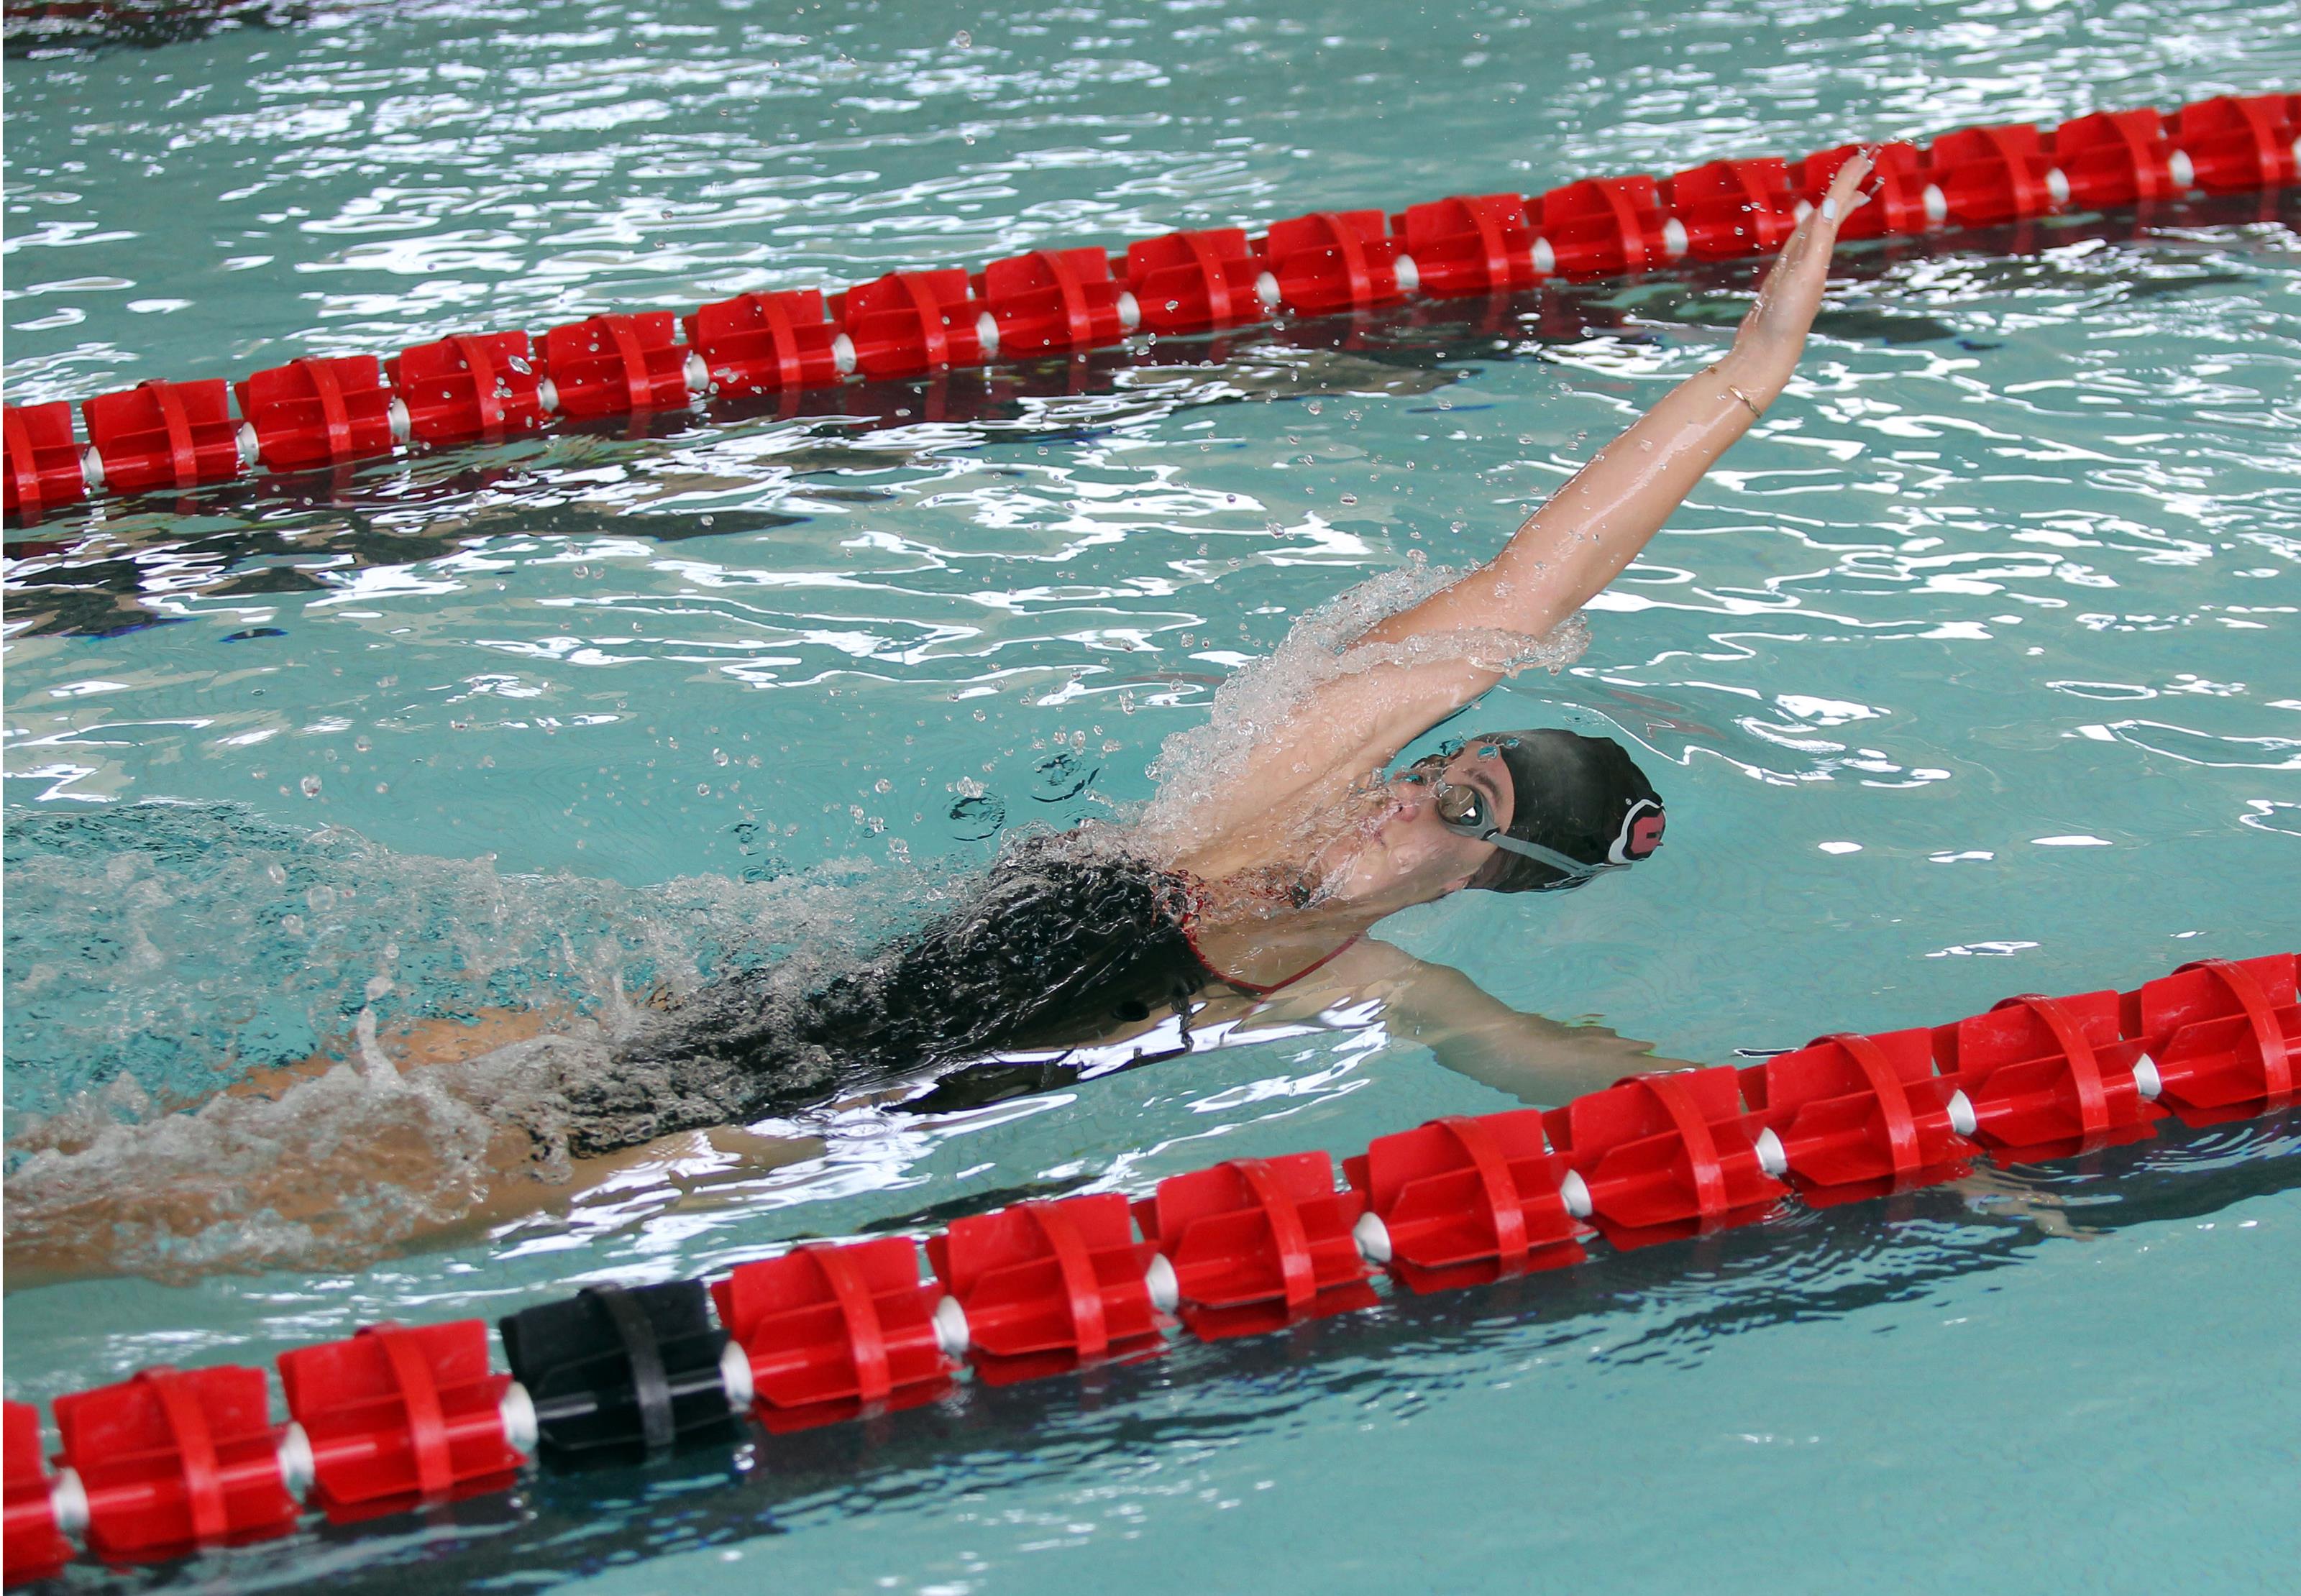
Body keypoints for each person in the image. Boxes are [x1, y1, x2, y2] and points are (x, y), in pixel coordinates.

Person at [4, 155, 1879, 1278]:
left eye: (1458, 809)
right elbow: (1522, 601)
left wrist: (1927, 1162)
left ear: (1480, 870)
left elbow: (1604, 1080)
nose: (1409, 793)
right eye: (1439, 764)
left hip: (739, 1138)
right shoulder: (1238, 815)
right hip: (710, 1019)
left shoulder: (1354, 985)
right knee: (232, 1123)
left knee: (198, 1214)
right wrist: (1746, 376)